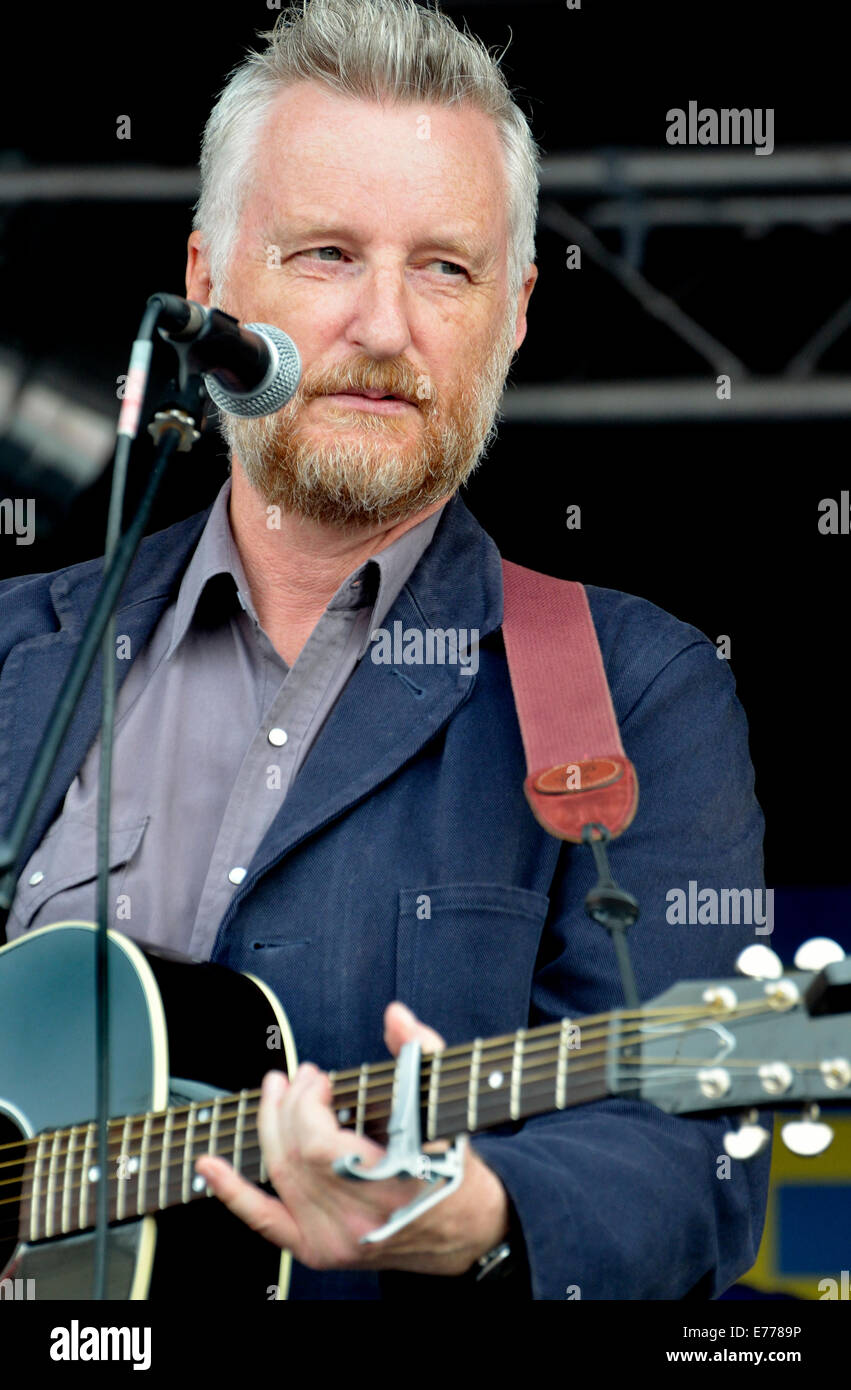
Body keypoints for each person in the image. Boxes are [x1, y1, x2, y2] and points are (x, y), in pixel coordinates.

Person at [0, 0, 771, 1300]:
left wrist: (488, 1214)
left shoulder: (631, 691)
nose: (383, 326)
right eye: (327, 254)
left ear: (514, 314)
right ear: (206, 282)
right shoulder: (19, 650)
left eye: (446, 269)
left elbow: (694, 1155)